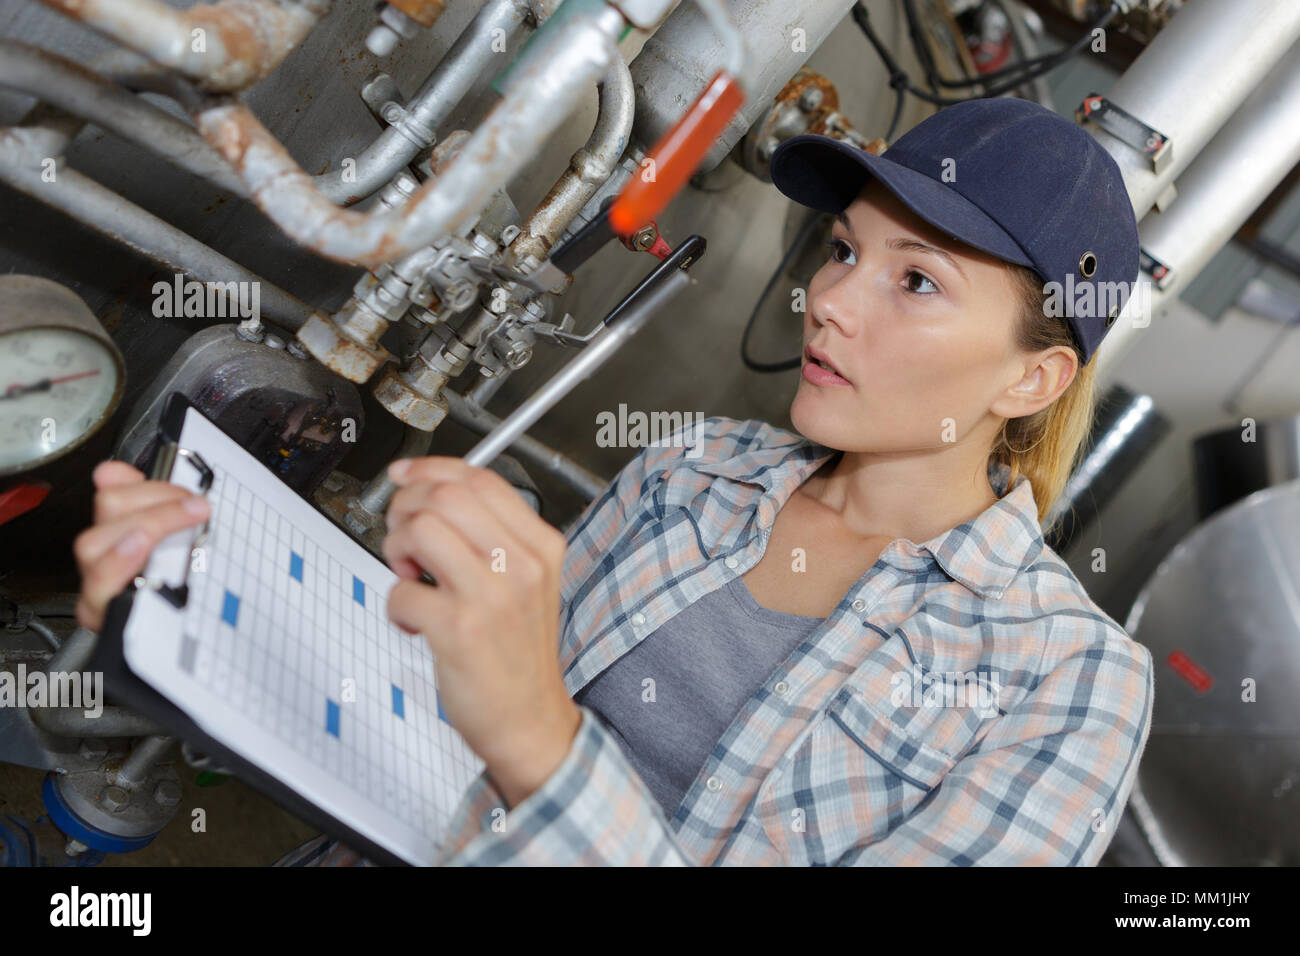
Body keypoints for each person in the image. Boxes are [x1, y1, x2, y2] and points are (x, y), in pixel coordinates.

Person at [75, 96, 1153, 867]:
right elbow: (441, 722)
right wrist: (220, 595)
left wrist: (544, 744)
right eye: (841, 250)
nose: (828, 301)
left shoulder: (1069, 682)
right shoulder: (698, 468)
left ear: (1032, 375)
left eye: (916, 280)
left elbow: (523, 721)